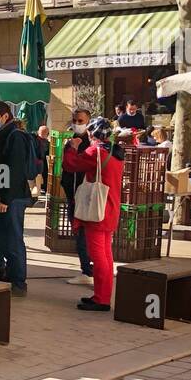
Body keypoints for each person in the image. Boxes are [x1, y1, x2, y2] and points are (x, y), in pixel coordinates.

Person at [64, 117, 125, 313]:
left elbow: (71, 165)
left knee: (98, 257)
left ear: (93, 134)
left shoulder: (95, 152)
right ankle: (102, 294)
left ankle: (102, 299)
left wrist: (71, 147)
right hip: (110, 208)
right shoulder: (115, 152)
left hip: (97, 210)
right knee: (106, 255)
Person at [0, 101, 36, 296]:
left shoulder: (15, 137)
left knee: (13, 239)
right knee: (0, 237)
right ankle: (4, 272)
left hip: (12, 198)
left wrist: (5, 199)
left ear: (5, 116)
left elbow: (15, 170)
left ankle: (18, 280)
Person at [61, 108, 95, 286]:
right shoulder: (72, 141)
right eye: (75, 120)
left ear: (88, 122)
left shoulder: (88, 143)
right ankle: (89, 269)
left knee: (84, 234)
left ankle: (88, 270)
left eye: (81, 121)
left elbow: (70, 166)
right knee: (82, 234)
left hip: (83, 196)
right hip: (75, 195)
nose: (77, 124)